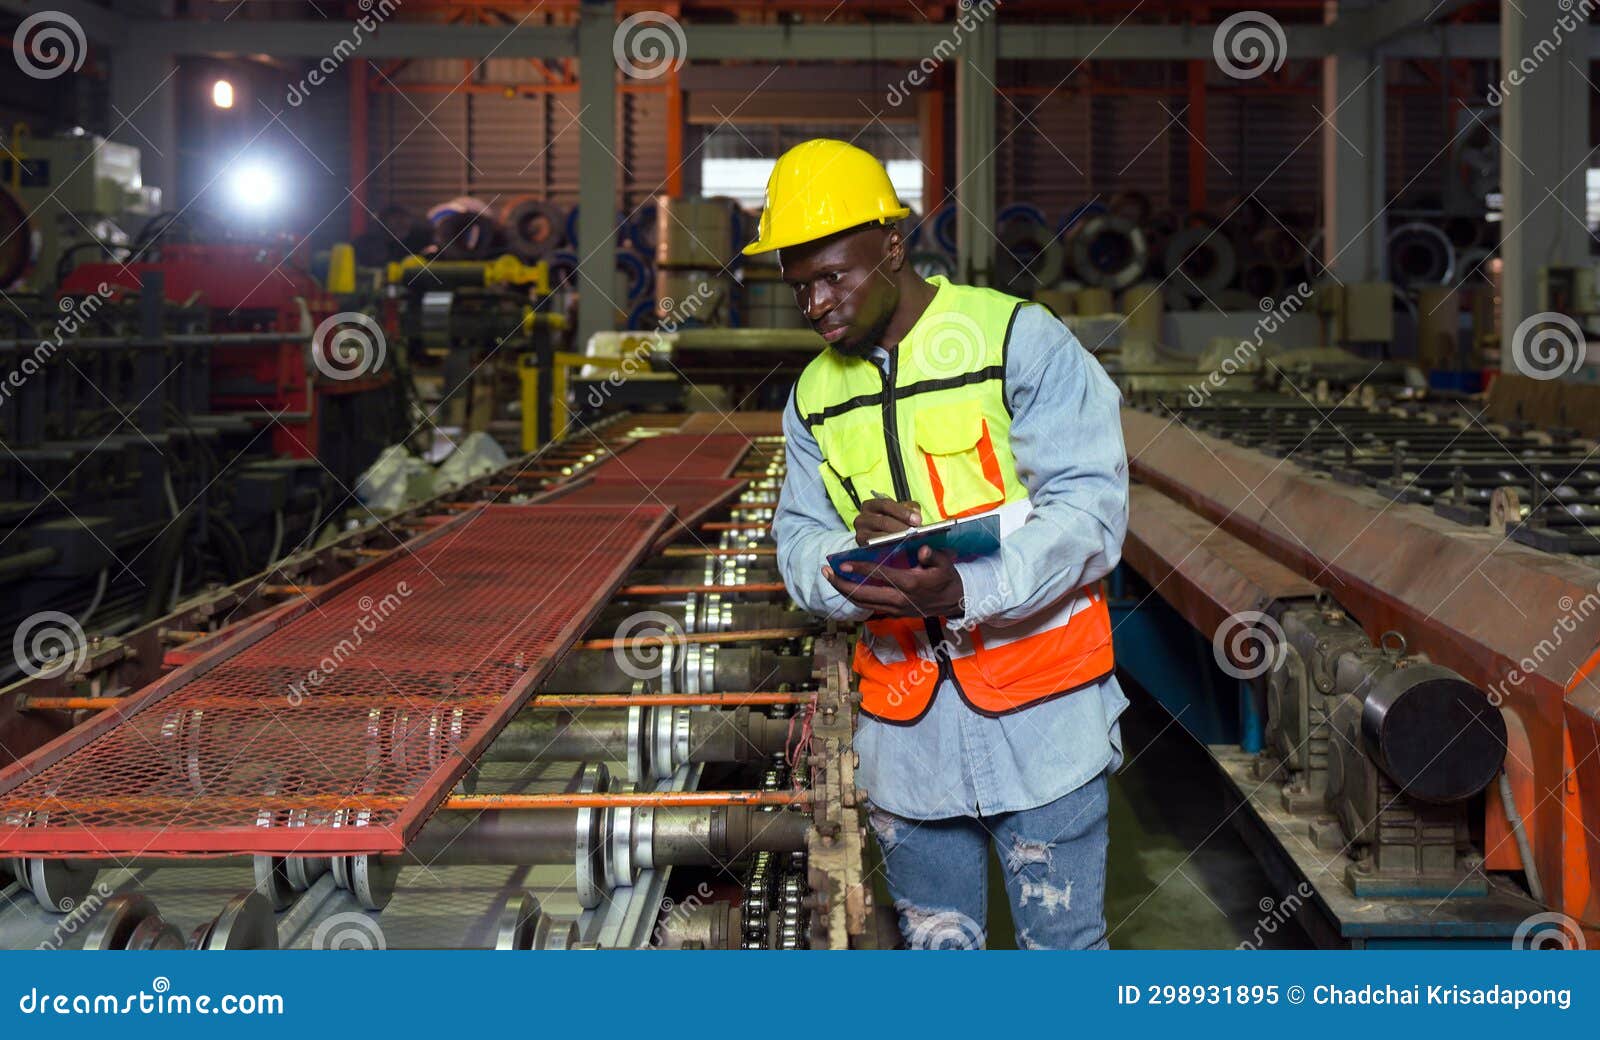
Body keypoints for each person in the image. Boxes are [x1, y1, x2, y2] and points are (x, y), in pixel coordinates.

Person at [748, 138, 1130, 950]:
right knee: (938, 962)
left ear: (893, 246)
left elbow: (1091, 510)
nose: (817, 304)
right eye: (800, 288)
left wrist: (966, 591)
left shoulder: (1014, 339)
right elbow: (796, 538)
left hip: (1044, 720)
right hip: (906, 740)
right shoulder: (813, 396)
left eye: (834, 276)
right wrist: (846, 570)